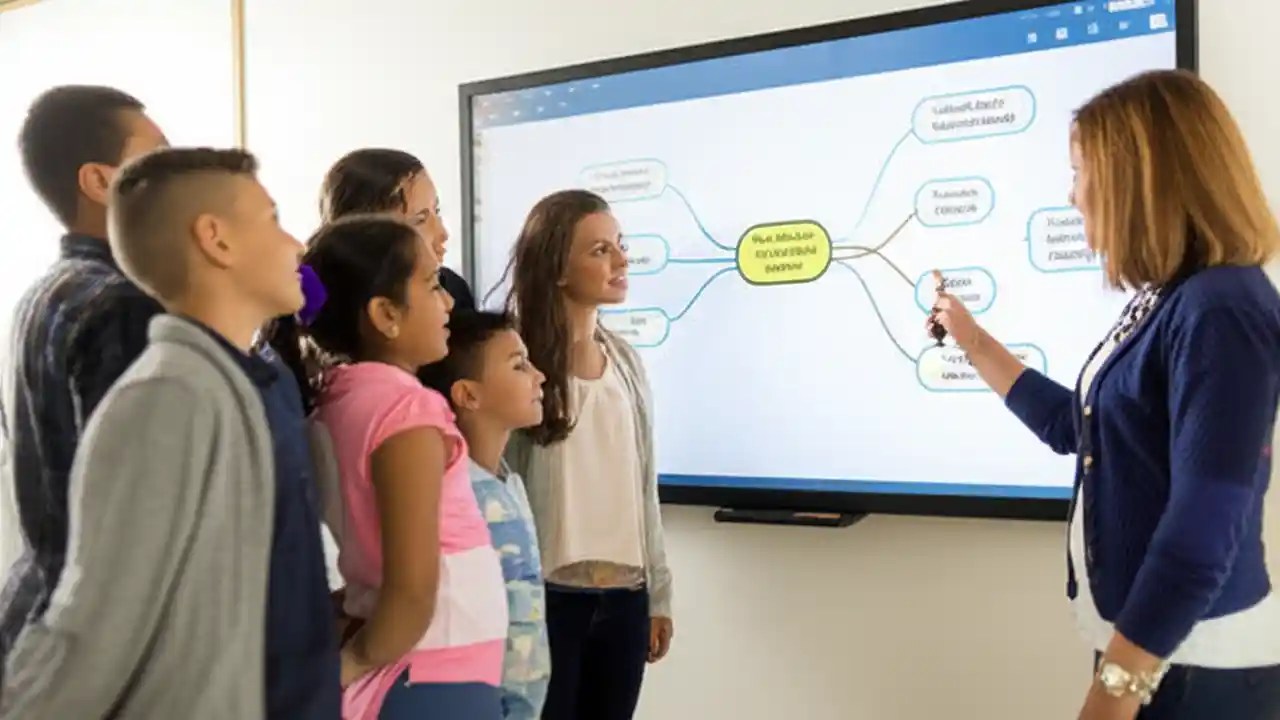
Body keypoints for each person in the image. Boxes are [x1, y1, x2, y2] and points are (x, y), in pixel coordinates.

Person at [930, 69, 1280, 720]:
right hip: (1152, 652)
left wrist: (1115, 691)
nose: (1072, 196)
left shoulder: (1221, 308)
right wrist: (973, 341)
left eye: (1079, 173)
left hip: (1195, 665)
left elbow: (1204, 524)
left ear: (1137, 180)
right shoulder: (1172, 298)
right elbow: (1077, 427)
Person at [0, 147, 339, 719]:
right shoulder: (166, 397)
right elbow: (95, 623)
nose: (297, 246)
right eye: (273, 220)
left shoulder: (261, 382)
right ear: (216, 239)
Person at [265, 214, 507, 718]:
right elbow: (413, 590)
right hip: (434, 666)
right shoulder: (404, 410)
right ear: (385, 314)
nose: (448, 303)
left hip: (419, 664)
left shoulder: (338, 399)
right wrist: (351, 663)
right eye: (433, 285)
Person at [0, 85, 169, 674]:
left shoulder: (44, 292)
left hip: (40, 613)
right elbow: (142, 513)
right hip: (104, 643)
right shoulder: (123, 306)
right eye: (157, 159)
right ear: (99, 181)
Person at [498, 189, 674, 720]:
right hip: (545, 600)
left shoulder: (626, 361)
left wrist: (659, 594)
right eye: (600, 250)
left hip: (625, 596)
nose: (621, 261)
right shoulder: (515, 363)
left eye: (620, 246)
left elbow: (644, 483)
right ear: (556, 267)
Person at [418, 310, 552, 719]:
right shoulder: (454, 494)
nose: (539, 377)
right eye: (519, 365)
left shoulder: (509, 484)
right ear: (468, 395)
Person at [320, 148, 474, 309]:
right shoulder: (320, 309)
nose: (443, 234)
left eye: (437, 211)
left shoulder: (453, 289)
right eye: (419, 220)